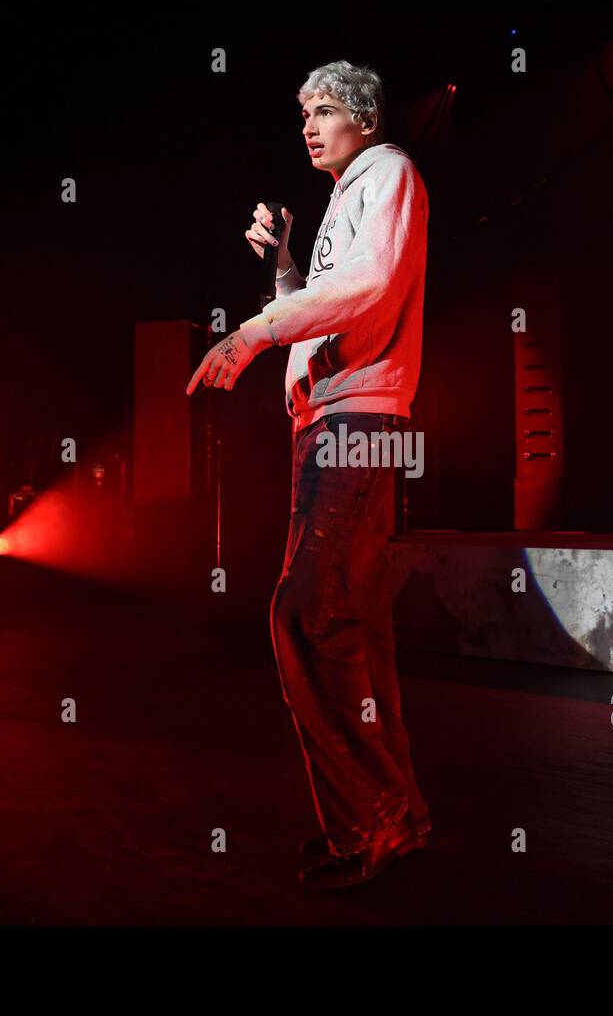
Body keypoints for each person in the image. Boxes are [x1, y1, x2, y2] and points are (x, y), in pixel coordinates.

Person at [186, 60, 430, 888]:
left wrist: (252, 332)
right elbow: (329, 306)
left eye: (324, 110)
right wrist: (287, 266)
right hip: (332, 421)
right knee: (352, 624)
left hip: (356, 424)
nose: (308, 125)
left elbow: (369, 288)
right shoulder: (343, 197)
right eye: (302, 114)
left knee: (304, 617)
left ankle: (377, 814)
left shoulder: (388, 172)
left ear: (364, 115)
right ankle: (393, 818)